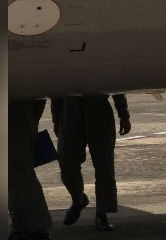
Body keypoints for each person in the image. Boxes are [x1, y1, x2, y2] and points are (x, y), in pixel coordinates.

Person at [52, 92, 130, 230]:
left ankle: (102, 213)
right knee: (67, 163)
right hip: (69, 110)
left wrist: (123, 114)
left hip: (98, 106)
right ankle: (78, 199)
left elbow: (115, 84)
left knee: (104, 165)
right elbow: (57, 88)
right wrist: (56, 118)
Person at [7, 98, 54, 240]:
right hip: (17, 105)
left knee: (18, 171)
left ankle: (38, 231)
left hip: (15, 106)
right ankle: (22, 227)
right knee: (13, 173)